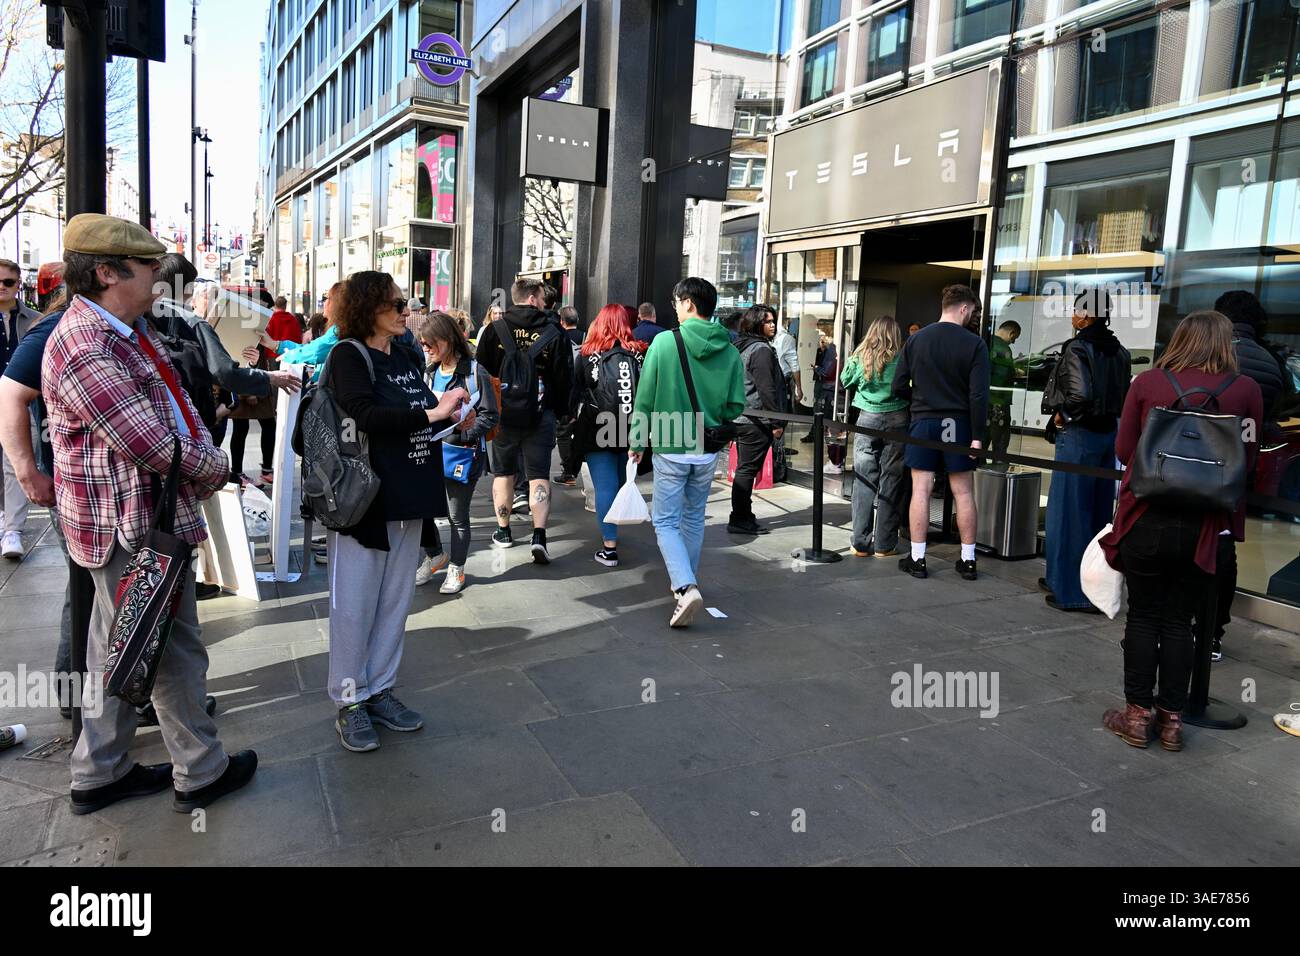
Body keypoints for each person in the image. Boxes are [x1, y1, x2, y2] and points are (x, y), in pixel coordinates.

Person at [42, 213, 255, 813]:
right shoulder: (86, 343)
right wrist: (214, 468)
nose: (159, 281)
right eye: (148, 270)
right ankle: (201, 770)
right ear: (108, 272)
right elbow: (148, 441)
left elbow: (173, 404)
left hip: (134, 520)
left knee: (118, 645)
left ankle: (99, 769)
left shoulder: (118, 330)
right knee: (169, 650)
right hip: (130, 525)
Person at [1099, 311, 1263, 751]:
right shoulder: (1245, 390)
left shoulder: (1149, 384)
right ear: (1225, 344)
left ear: (1181, 339)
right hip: (1206, 528)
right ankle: (1171, 721)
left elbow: (1123, 449)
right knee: (1181, 622)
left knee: (1144, 615)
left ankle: (1136, 716)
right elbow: (1249, 459)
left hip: (1145, 517)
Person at [322, 271, 468, 752]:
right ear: (368, 309)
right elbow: (365, 415)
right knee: (354, 604)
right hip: (363, 499)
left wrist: (452, 413)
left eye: (404, 303)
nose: (406, 311)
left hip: (410, 492)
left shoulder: (403, 353)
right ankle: (350, 700)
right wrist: (433, 414)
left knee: (394, 602)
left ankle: (379, 689)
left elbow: (422, 409)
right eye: (396, 304)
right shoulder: (348, 355)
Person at [629, 277, 744, 627]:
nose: (675, 309)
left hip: (670, 441)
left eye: (677, 302)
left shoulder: (664, 343)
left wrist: (637, 441)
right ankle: (685, 581)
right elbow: (735, 404)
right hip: (707, 447)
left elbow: (645, 398)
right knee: (693, 518)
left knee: (664, 520)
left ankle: (684, 585)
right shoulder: (730, 348)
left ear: (689, 304)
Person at [1206, 290, 1289, 658]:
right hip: (1237, 470)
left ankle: (1188, 626)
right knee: (1224, 550)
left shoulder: (1214, 353)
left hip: (1197, 465)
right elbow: (1269, 416)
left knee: (1191, 546)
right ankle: (1213, 633)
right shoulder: (1272, 362)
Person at [892, 284, 990, 581]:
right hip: (958, 424)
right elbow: (978, 395)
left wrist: (919, 402)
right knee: (963, 491)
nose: (972, 315)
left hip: (924, 421)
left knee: (920, 489)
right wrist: (977, 434)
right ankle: (968, 560)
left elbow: (898, 385)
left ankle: (918, 558)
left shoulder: (916, 339)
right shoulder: (975, 344)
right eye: (972, 310)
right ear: (963, 308)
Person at [1041, 290, 1131, 612]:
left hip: (1079, 436)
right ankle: (1094, 587)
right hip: (1107, 436)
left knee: (1067, 513)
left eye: (1077, 310)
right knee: (1096, 513)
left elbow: (1078, 395)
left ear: (1088, 315)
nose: (1072, 315)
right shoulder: (1120, 351)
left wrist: (1062, 415)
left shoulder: (1078, 347)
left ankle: (1068, 590)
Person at [475, 277, 575, 563]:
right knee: (538, 475)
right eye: (542, 297)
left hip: (503, 416)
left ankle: (503, 531)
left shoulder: (495, 329)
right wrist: (560, 411)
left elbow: (481, 372)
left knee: (504, 474)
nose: (545, 302)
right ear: (532, 298)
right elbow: (564, 377)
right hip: (540, 415)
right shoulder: (554, 332)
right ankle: (539, 535)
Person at [414, 312, 499, 593]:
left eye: (429, 344)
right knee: (421, 508)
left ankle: (457, 569)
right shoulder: (429, 372)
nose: (425, 349)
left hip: (461, 453)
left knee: (456, 515)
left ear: (447, 340)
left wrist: (465, 435)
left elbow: (490, 415)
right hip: (430, 450)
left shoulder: (475, 372)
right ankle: (435, 555)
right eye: (423, 344)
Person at [566, 304, 646, 566]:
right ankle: (615, 524)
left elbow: (575, 392)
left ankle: (609, 547)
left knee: (604, 487)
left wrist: (570, 420)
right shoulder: (639, 353)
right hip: (631, 426)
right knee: (623, 481)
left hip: (597, 427)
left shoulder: (588, 355)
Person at [840, 315, 909, 558]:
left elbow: (845, 381)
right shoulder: (902, 357)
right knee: (892, 480)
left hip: (867, 419)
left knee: (864, 479)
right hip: (898, 420)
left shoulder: (861, 357)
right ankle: (884, 544)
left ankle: (860, 543)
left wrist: (854, 358)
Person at [728, 305, 785, 536]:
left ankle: (742, 516)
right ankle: (740, 518)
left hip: (744, 417)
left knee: (745, 469)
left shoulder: (740, 346)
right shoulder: (760, 349)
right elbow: (766, 389)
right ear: (756, 323)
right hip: (755, 420)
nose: (772, 325)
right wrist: (777, 421)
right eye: (767, 321)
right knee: (746, 471)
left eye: (773, 320)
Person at [0, 257, 41, 558]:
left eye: (8, 282)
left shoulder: (34, 320)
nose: (2, 287)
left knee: (15, 463)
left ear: (18, 285)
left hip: (21, 402)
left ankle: (13, 529)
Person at [554, 305, 584, 486]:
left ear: (562, 321)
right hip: (584, 391)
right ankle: (575, 467)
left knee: (563, 433)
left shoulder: (559, 337)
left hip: (566, 392)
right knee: (579, 432)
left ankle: (569, 471)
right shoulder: (586, 336)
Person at [987, 319, 1021, 465]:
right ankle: (997, 480)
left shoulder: (986, 341)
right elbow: (1002, 376)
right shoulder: (1004, 349)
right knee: (1000, 444)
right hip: (998, 404)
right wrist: (1015, 371)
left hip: (983, 401)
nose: (1013, 342)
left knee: (981, 443)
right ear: (1011, 333)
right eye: (1014, 338)